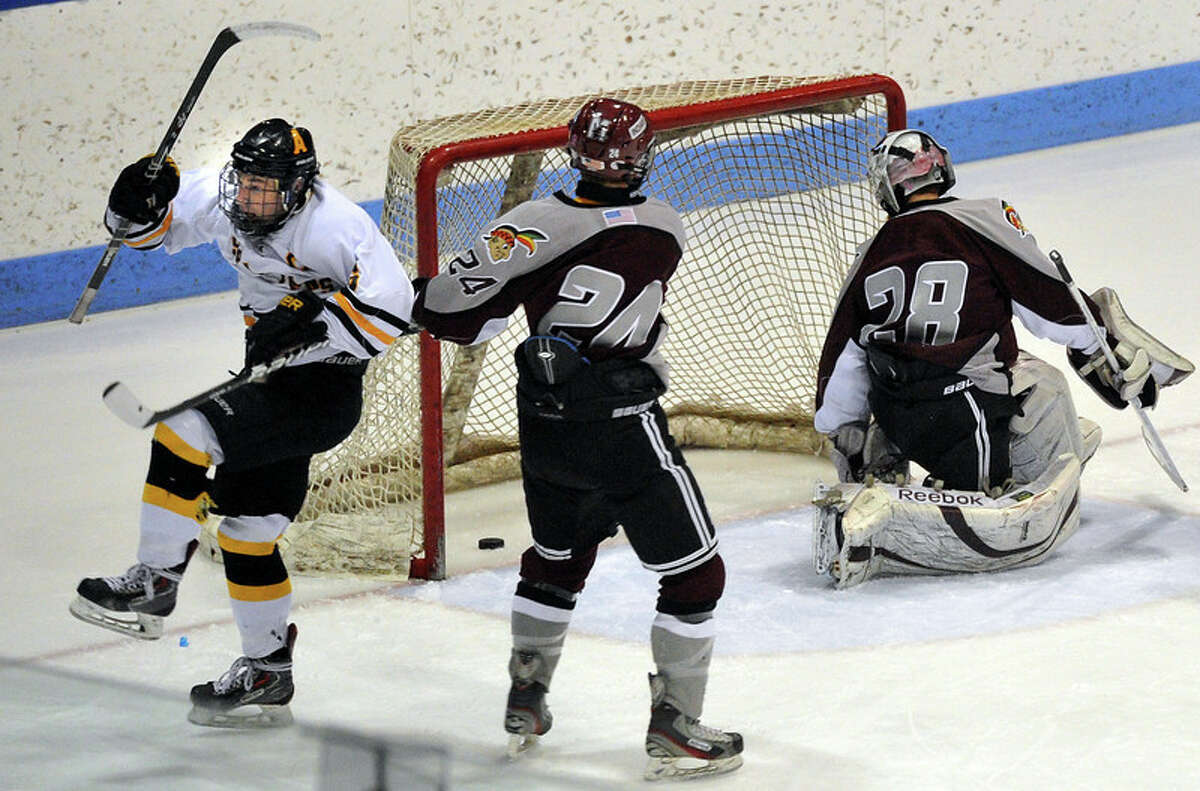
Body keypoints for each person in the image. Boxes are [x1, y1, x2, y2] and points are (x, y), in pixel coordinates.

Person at [411, 97, 744, 780]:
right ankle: (676, 725)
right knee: (695, 573)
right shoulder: (666, 225)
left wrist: (420, 292)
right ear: (641, 157)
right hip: (624, 427)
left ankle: (526, 697)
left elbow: (455, 314)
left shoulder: (531, 223)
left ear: (574, 152)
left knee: (557, 558)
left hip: (547, 426)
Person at [69, 119, 415, 727]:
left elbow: (392, 312)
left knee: (183, 431)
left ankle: (155, 578)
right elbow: (145, 232)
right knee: (248, 533)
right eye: (245, 182)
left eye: (264, 187)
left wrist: (312, 321)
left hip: (321, 393)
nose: (249, 197)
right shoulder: (227, 197)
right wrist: (131, 205)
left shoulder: (336, 226)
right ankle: (267, 670)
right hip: (268, 383)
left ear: (299, 187)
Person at [812, 128, 1191, 588]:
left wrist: (846, 432)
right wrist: (1103, 348)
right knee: (1043, 384)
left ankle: (881, 455)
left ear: (885, 190)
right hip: (966, 412)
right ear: (942, 168)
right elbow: (1048, 301)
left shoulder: (870, 252)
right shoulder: (982, 218)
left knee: (916, 373)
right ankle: (995, 475)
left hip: (896, 414)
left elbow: (843, 353)